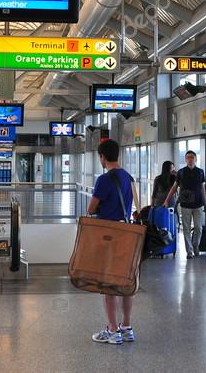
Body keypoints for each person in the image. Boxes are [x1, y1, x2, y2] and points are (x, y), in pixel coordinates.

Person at [86, 139, 140, 345]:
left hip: (108, 234)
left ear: (102, 157)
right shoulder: (128, 177)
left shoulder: (104, 179)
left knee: (108, 283)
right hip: (127, 233)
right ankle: (127, 327)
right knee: (125, 282)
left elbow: (91, 209)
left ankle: (112, 329)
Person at [164, 150, 206, 258]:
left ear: (196, 159)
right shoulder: (181, 172)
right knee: (187, 228)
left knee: (198, 228)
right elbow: (174, 187)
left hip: (198, 204)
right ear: (185, 159)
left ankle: (195, 245)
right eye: (188, 157)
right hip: (185, 205)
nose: (190, 159)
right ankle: (189, 251)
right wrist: (166, 200)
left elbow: (202, 189)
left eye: (192, 157)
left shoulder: (200, 172)